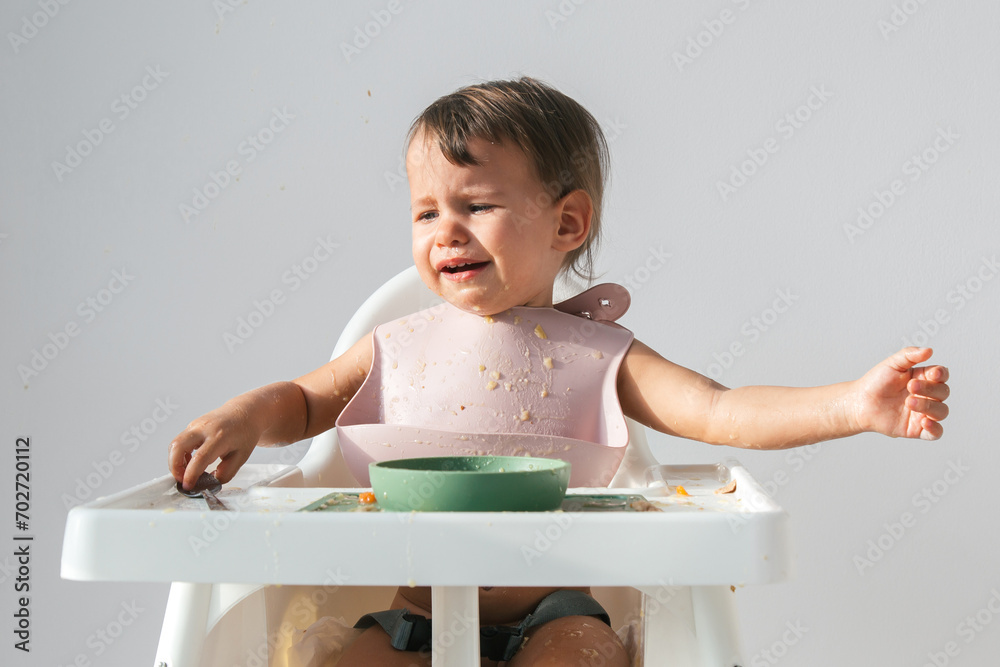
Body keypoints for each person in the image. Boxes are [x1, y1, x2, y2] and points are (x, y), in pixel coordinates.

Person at [169, 77, 950, 666]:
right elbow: (303, 402)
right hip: (412, 618)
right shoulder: (393, 345)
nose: (447, 229)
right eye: (425, 211)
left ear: (567, 223)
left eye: (475, 204)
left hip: (554, 613)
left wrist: (851, 404)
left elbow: (722, 410)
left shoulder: (595, 355)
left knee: (579, 654)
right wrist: (244, 415)